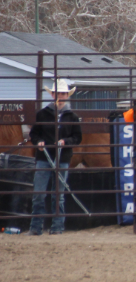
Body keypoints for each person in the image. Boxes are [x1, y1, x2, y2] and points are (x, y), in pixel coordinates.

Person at [28, 78, 82, 236]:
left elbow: (77, 138)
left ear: (67, 95)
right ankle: (36, 227)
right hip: (44, 158)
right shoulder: (42, 114)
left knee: (58, 195)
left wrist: (65, 142)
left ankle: (57, 227)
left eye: (64, 93)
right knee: (39, 194)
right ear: (53, 95)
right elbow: (34, 134)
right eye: (58, 93)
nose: (61, 96)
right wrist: (39, 142)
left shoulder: (72, 117)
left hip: (62, 158)